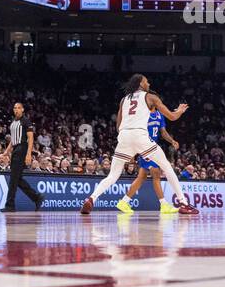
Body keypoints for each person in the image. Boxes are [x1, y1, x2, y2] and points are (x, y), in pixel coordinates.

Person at [80, 75, 197, 216]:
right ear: (141, 83)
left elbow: (118, 125)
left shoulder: (124, 100)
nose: (149, 83)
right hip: (140, 136)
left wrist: (128, 142)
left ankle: (91, 198)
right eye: (147, 81)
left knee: (113, 175)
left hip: (123, 136)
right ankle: (183, 203)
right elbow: (172, 117)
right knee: (166, 166)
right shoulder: (150, 97)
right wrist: (180, 110)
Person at [117, 107, 180, 214]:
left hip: (153, 147)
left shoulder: (160, 115)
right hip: (144, 147)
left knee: (141, 177)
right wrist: (133, 151)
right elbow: (135, 134)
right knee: (156, 173)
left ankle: (124, 201)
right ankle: (164, 205)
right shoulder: (142, 114)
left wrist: (172, 141)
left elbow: (163, 132)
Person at [2, 102, 44, 212]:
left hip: (22, 149)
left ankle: (10, 205)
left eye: (18, 108)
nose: (16, 110)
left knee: (13, 179)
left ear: (23, 109)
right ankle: (36, 197)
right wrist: (6, 152)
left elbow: (30, 138)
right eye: (15, 108)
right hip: (16, 149)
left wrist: (28, 154)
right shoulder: (13, 121)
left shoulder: (26, 121)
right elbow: (13, 139)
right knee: (17, 179)